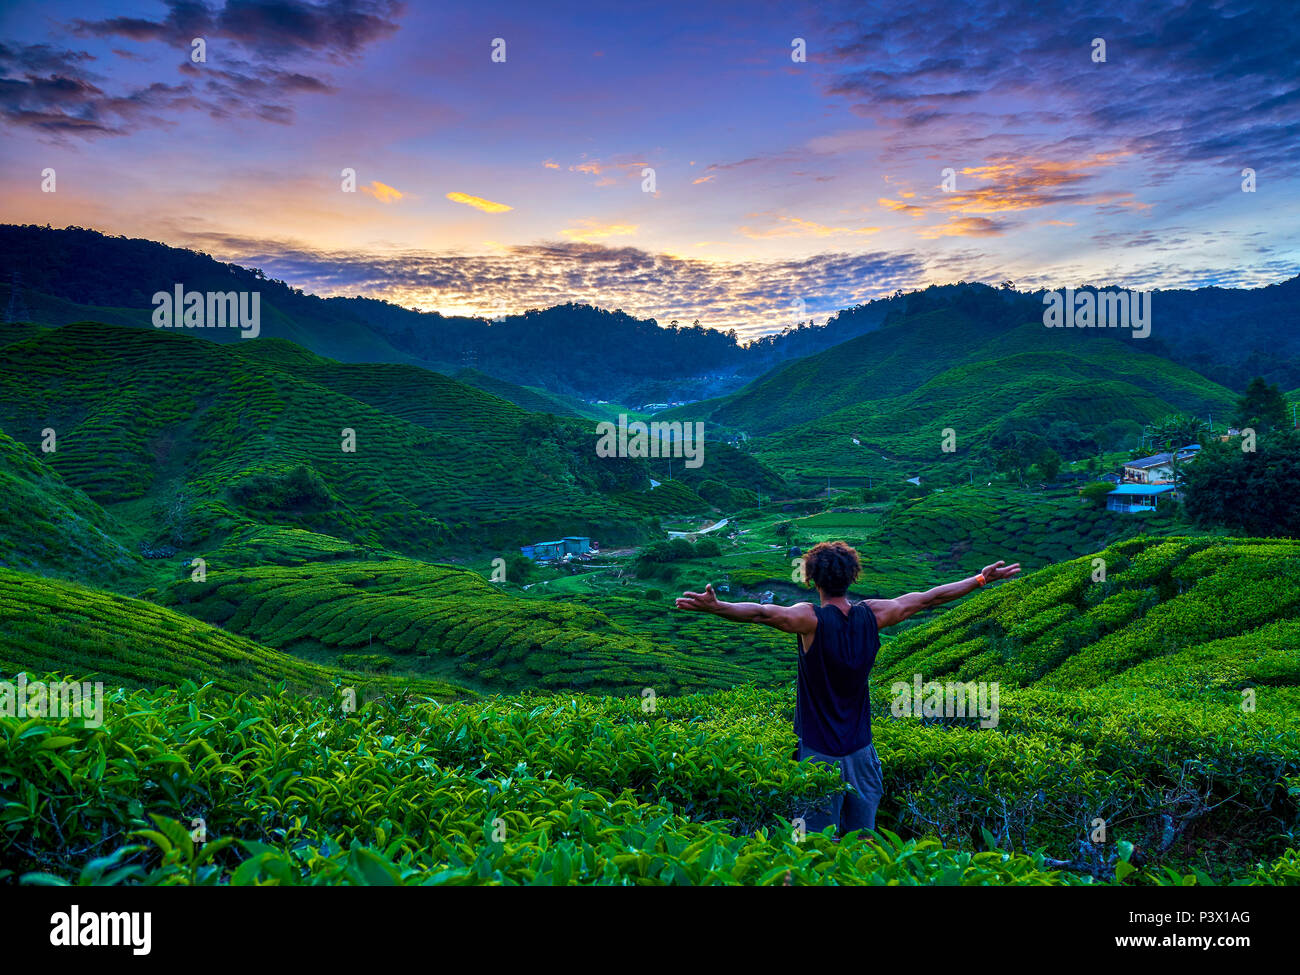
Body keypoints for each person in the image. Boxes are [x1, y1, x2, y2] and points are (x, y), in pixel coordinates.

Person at [674, 540, 1019, 835]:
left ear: (811, 579)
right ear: (853, 576)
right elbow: (928, 599)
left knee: (808, 840)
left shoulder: (809, 620)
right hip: (861, 752)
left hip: (817, 754)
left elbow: (762, 613)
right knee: (863, 841)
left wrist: (718, 607)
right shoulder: (875, 614)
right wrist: (978, 579)